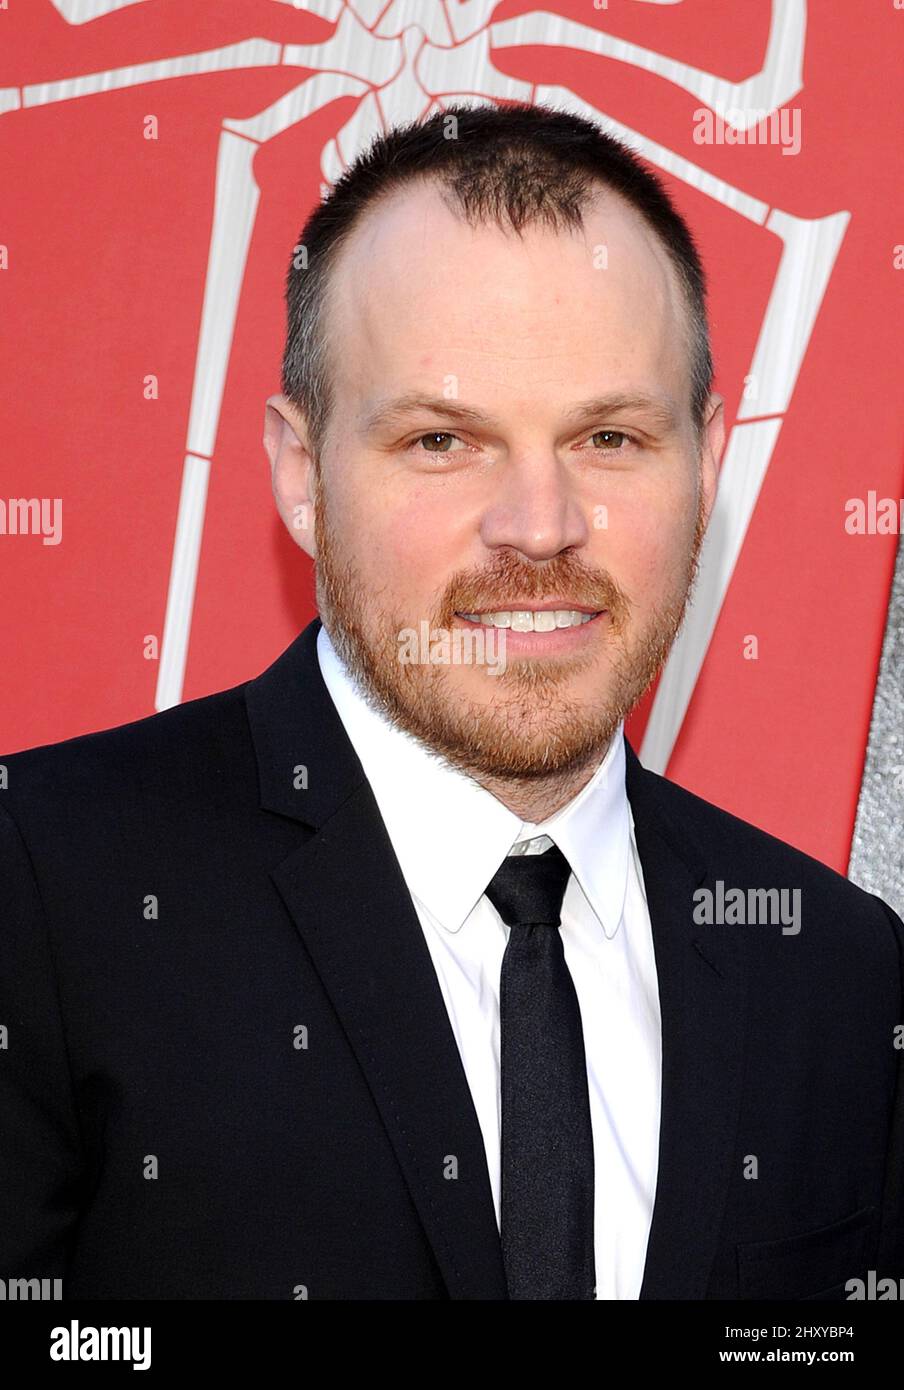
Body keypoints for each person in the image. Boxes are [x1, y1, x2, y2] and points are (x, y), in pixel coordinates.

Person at [1, 104, 901, 1301]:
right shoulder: (41, 894)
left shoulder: (839, 972)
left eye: (611, 436)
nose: (540, 524)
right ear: (300, 474)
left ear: (706, 460)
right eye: (442, 440)